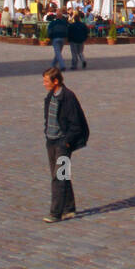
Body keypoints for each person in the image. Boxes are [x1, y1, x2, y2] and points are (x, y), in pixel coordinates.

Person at [41, 67, 89, 222]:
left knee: (59, 177)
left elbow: (76, 124)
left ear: (56, 81)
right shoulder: (51, 95)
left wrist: (66, 142)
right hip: (51, 142)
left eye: (46, 81)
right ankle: (69, 208)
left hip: (63, 143)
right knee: (62, 176)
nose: (44, 84)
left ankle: (55, 213)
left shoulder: (68, 97)